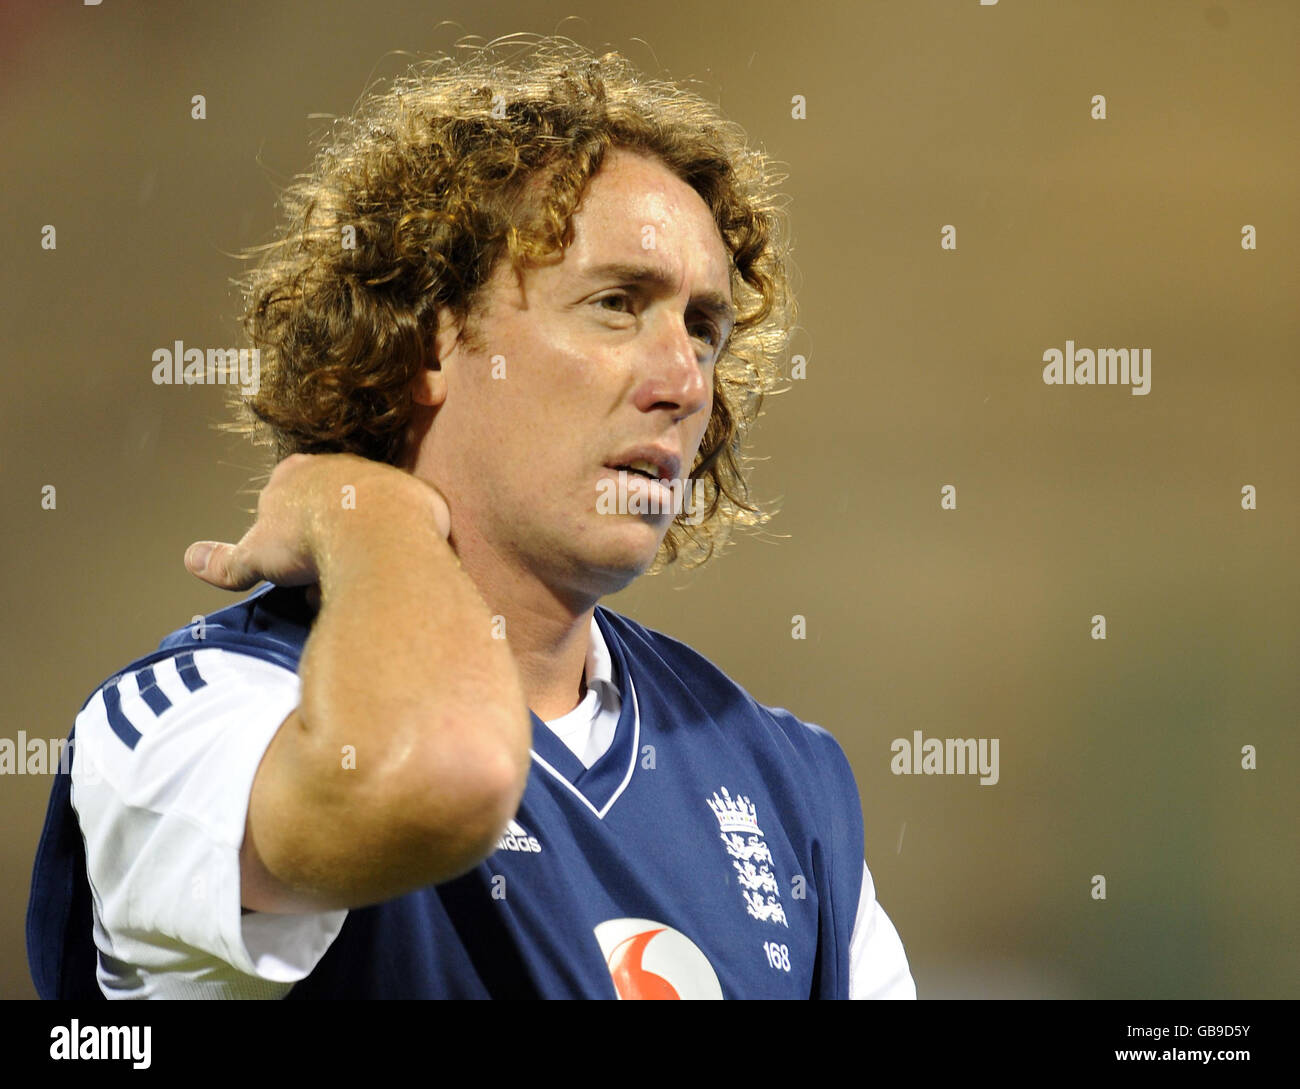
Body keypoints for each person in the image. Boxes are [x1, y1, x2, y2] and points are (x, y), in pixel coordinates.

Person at [28, 39, 915, 999]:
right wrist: (363, 507)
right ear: (433, 339)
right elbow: (440, 772)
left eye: (703, 329)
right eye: (617, 304)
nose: (684, 382)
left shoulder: (788, 783)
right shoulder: (202, 713)